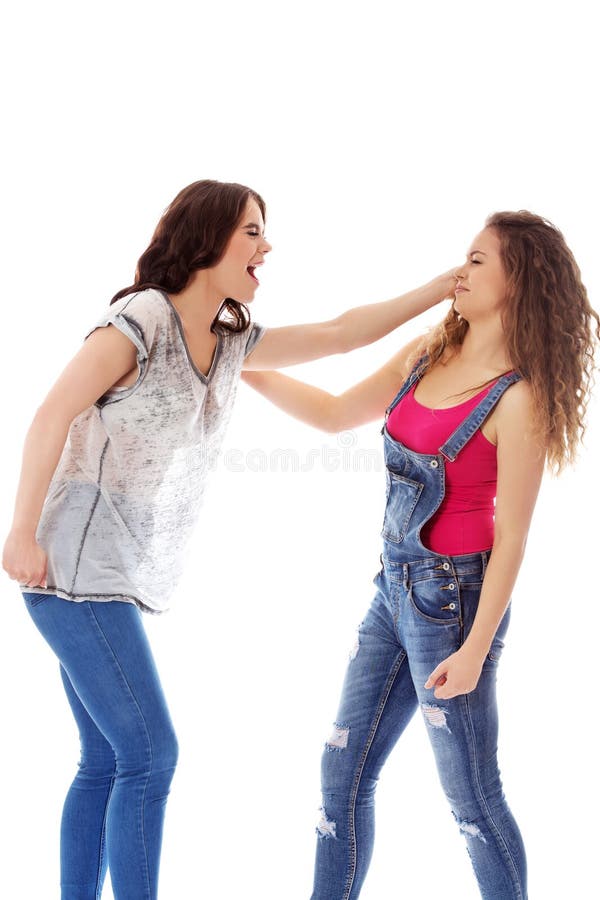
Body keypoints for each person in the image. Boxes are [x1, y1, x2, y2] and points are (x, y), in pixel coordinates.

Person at [1, 179, 456, 900]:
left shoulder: (230, 340)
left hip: (111, 572)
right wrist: (20, 532)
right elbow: (51, 413)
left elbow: (341, 333)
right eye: (252, 232)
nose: (266, 247)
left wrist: (437, 289)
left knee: (105, 761)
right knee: (151, 756)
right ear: (209, 238)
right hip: (73, 568)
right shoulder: (141, 319)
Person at [241, 210, 599, 900]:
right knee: (340, 776)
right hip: (392, 590)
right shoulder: (427, 354)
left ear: (517, 280)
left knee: (471, 800)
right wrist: (240, 364)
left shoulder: (518, 397)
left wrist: (473, 651)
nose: (457, 273)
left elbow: (515, 537)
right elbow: (333, 412)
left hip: (456, 605)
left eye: (475, 260)